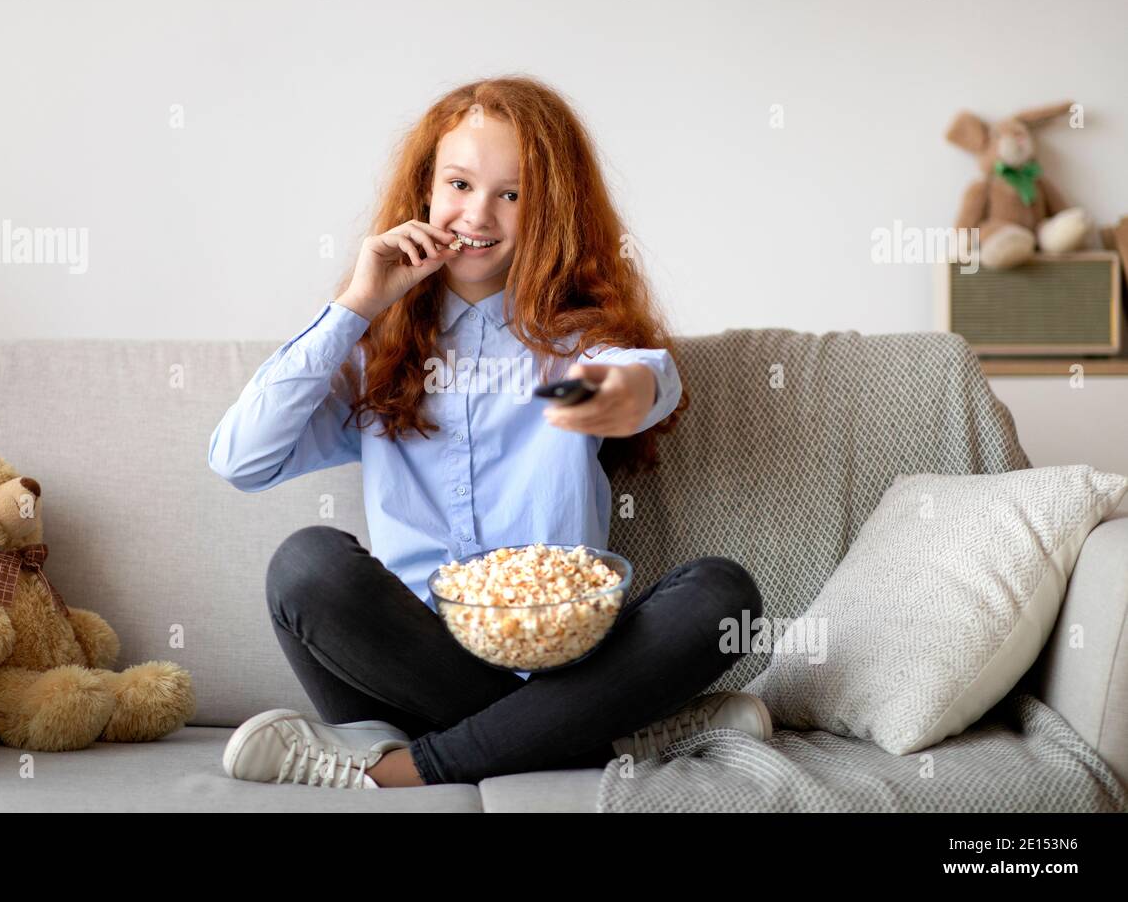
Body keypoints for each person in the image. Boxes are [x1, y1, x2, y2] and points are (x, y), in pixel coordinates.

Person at [208, 75, 769, 790]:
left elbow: (641, 379)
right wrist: (355, 303)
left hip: (565, 656)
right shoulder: (376, 349)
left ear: (551, 210)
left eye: (513, 193)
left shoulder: (575, 347)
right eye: (460, 184)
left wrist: (626, 391)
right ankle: (612, 732)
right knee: (304, 566)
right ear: (425, 190)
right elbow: (239, 460)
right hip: (406, 673)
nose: (479, 213)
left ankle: (400, 772)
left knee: (722, 595)